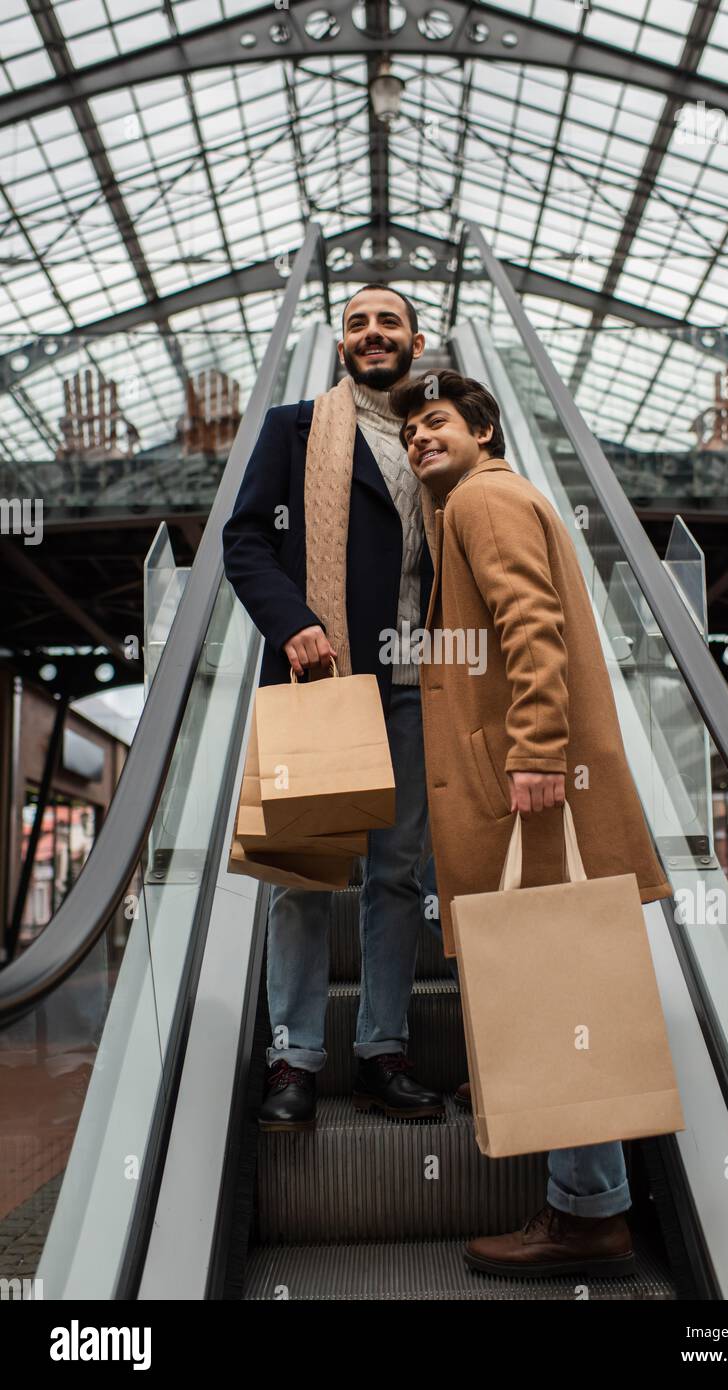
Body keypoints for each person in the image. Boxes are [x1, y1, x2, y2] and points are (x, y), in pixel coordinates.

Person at [390, 368, 674, 1278]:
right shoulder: (474, 503)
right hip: (521, 784)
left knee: (561, 988)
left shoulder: (485, 499)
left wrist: (539, 750)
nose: (420, 438)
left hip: (531, 791)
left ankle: (587, 1215)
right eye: (410, 432)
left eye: (437, 421)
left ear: (484, 431)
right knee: (558, 982)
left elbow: (530, 621)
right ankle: (578, 1188)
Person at [222, 285, 445, 1131]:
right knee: (302, 873)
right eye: (358, 323)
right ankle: (294, 1059)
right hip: (320, 678)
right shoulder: (295, 429)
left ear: (415, 340)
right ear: (342, 343)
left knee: (396, 875)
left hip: (418, 684)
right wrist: (294, 623)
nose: (373, 333)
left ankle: (383, 1052)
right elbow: (245, 538)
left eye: (389, 322)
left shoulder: (437, 436)